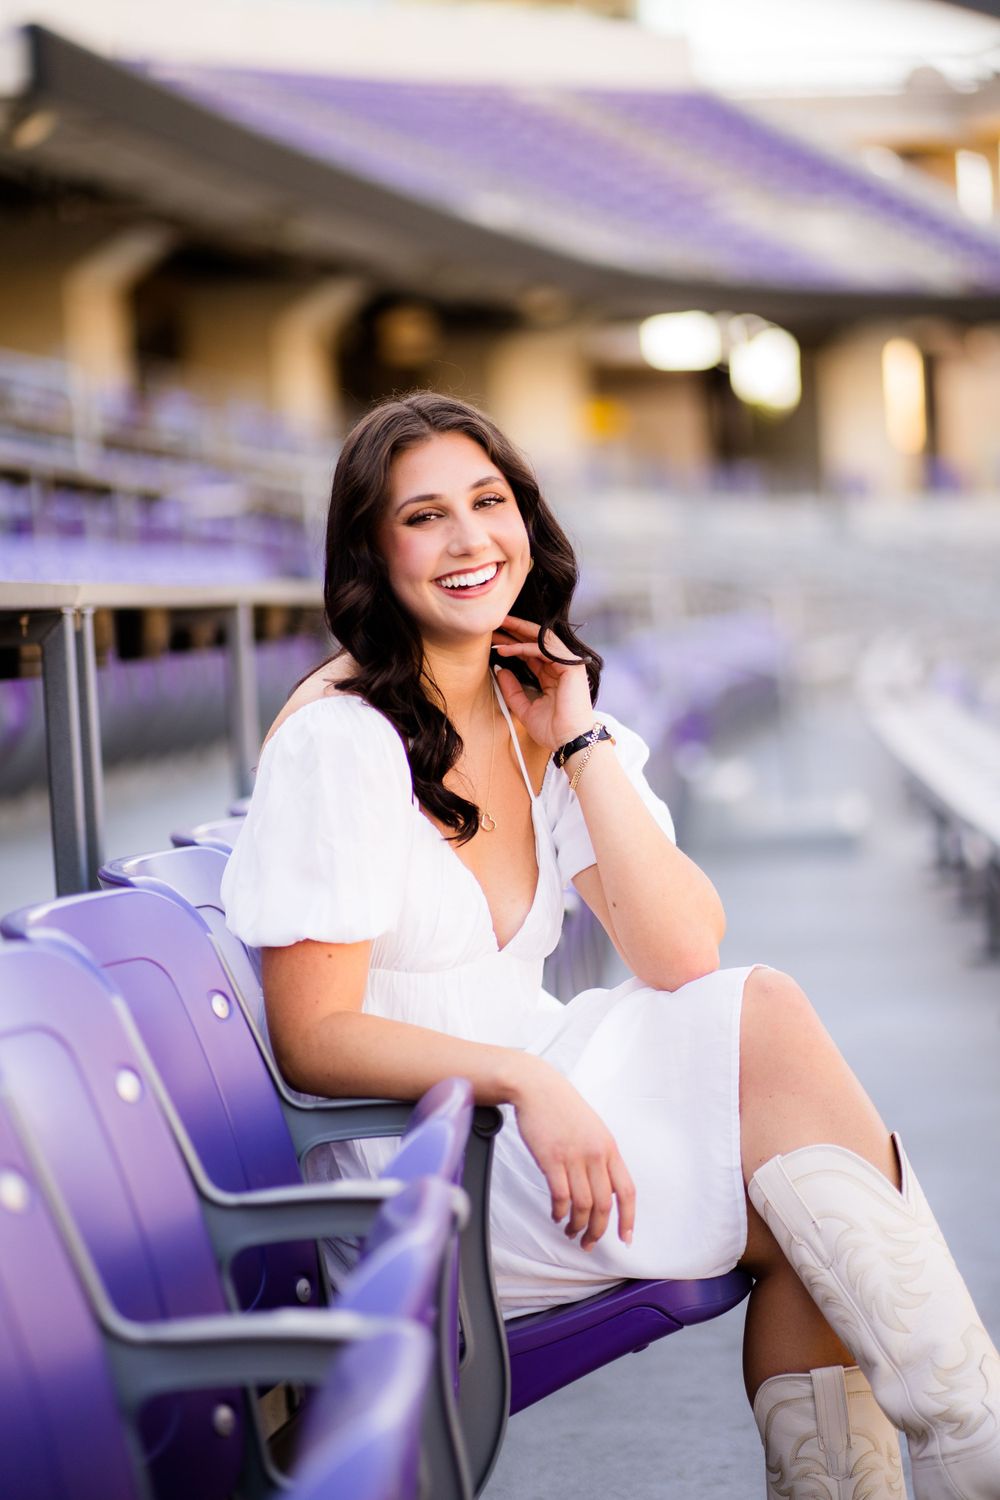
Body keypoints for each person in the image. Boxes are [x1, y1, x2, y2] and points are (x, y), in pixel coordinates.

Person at [222, 391, 999, 1499]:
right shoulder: (341, 743)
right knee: (792, 1146)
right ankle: (976, 1449)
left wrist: (577, 735)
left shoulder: (529, 702)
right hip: (427, 1153)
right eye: (424, 516)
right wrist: (524, 1080)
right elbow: (313, 1035)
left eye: (488, 503)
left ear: (527, 524)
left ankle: (968, 1446)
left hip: (544, 1091)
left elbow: (682, 949)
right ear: (371, 550)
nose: (467, 539)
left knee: (782, 1107)